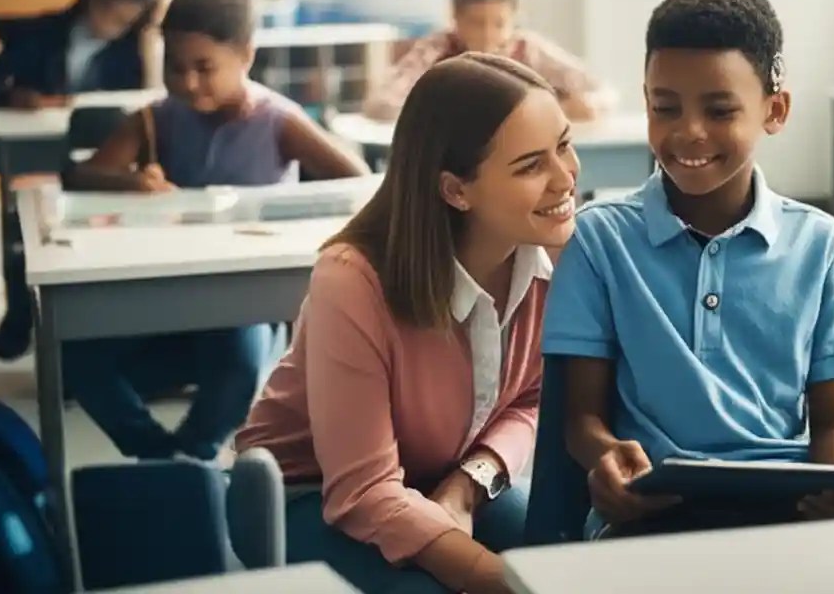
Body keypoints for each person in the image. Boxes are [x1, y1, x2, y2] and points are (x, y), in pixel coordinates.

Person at [541, 0, 834, 539]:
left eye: (720, 109)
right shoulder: (599, 240)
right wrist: (604, 457)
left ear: (776, 109)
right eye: (664, 107)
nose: (689, 132)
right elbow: (581, 419)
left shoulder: (823, 246)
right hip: (649, 510)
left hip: (786, 512)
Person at [236, 52, 579, 593]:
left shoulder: (557, 258)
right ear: (455, 190)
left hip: (444, 474)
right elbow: (363, 489)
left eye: (564, 145)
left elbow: (531, 399)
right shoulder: (351, 281)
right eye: (532, 165)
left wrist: (467, 485)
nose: (566, 178)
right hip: (313, 492)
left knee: (563, 554)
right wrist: (494, 578)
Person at [64, 0, 367, 462]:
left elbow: (357, 181)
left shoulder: (277, 122)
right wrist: (131, 182)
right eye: (175, 67)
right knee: (76, 357)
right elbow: (81, 176)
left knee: (241, 360)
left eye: (205, 68)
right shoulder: (156, 118)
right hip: (164, 289)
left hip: (241, 298)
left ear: (245, 56)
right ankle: (160, 454)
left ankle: (196, 453)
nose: (187, 82)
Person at [0, 0, 162, 361]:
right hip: (34, 156)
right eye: (108, 11)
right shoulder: (45, 31)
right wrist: (11, 95)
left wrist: (148, 45)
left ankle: (90, 333)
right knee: (23, 227)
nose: (113, 26)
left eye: (126, 19)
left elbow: (147, 105)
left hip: (98, 166)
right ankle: (21, 314)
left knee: (102, 232)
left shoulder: (135, 47)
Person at [365, 0, 610, 123]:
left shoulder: (529, 51)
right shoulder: (435, 51)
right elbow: (380, 104)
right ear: (455, 15)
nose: (487, 35)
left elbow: (602, 92)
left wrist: (580, 107)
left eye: (499, 24)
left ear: (515, 14)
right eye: (475, 23)